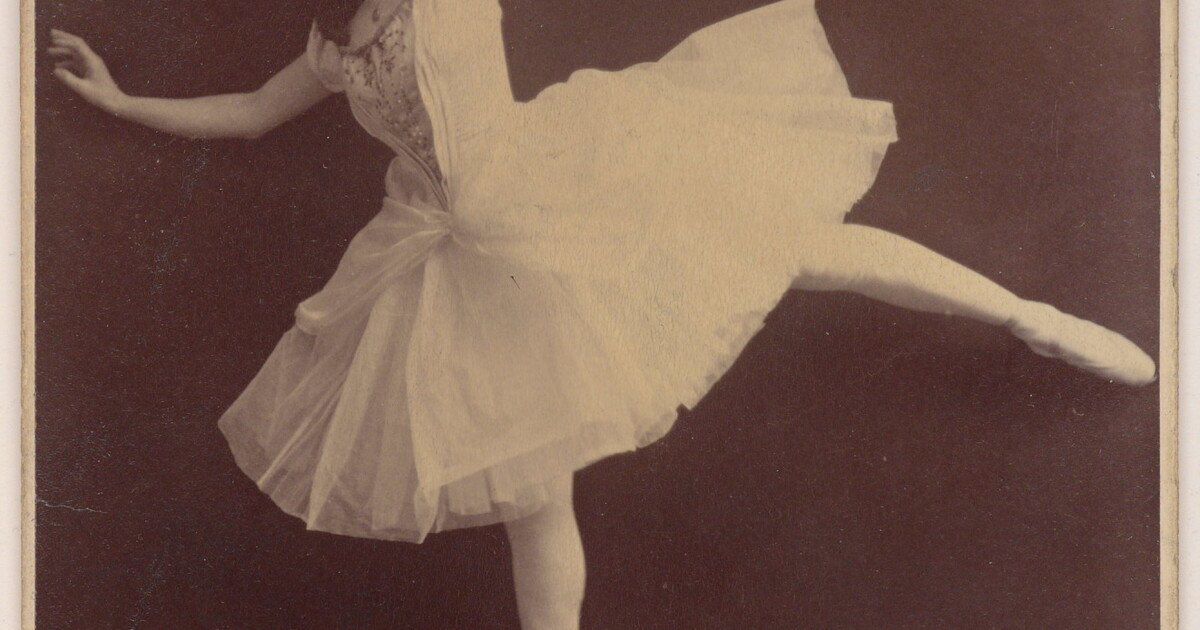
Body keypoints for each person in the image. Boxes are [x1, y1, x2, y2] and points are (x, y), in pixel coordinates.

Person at [48, 0, 1156, 628]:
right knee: (534, 492)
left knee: (794, 246)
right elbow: (250, 111)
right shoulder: (334, 48)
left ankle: (1026, 313)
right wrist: (125, 97)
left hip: (569, 190)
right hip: (459, 260)